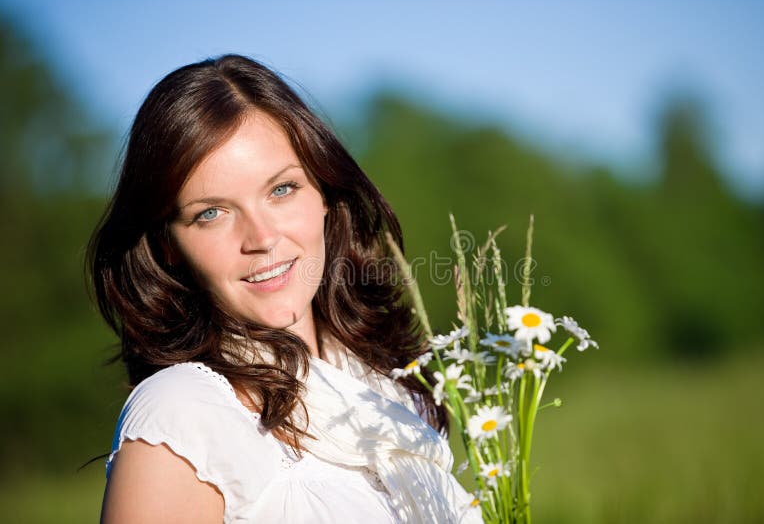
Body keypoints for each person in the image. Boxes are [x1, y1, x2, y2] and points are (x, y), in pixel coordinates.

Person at [87, 54, 483, 523]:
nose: (261, 238)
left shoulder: (384, 384)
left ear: (324, 194)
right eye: (211, 213)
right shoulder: (181, 416)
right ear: (167, 244)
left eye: (281, 190)